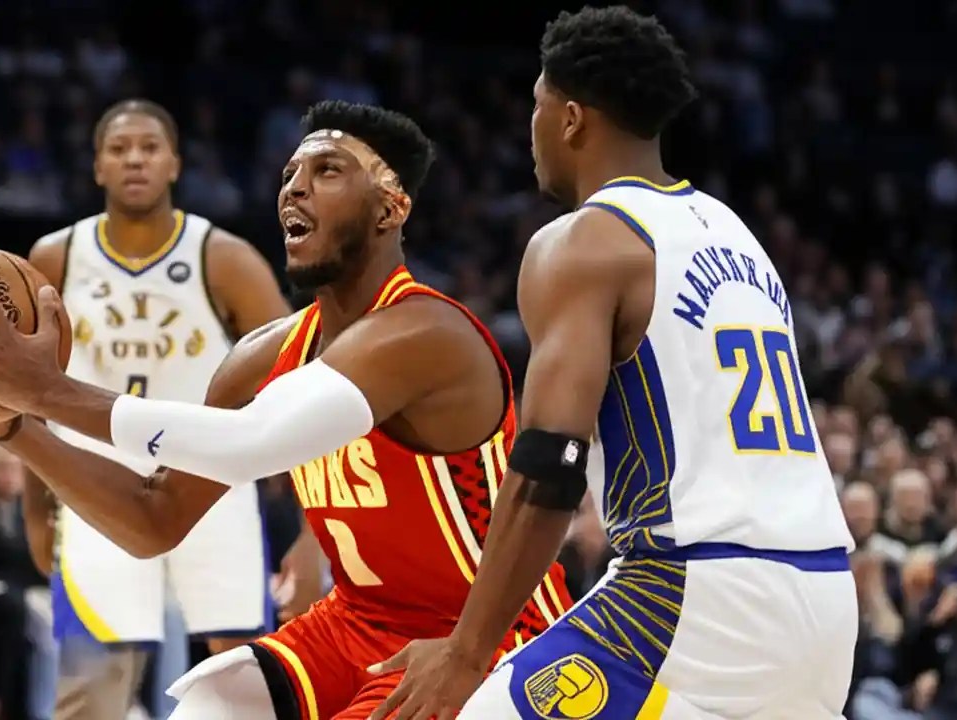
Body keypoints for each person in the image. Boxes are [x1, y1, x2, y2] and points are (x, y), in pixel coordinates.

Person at [0, 99, 572, 719]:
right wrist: (13, 425)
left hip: (492, 634)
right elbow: (154, 519)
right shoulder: (260, 358)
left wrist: (44, 391)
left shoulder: (425, 333)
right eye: (290, 174)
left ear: (390, 208)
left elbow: (250, 442)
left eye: (327, 171)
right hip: (358, 621)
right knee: (210, 704)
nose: (295, 188)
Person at [368, 6, 858, 719]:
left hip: (697, 590)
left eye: (535, 106)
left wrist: (466, 652)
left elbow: (549, 466)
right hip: (824, 600)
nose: (529, 129)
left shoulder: (583, 242)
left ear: (570, 119)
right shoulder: (736, 232)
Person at [22, 98, 300, 719]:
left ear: (174, 162)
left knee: (244, 678)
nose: (135, 160)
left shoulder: (224, 257)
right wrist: (35, 505)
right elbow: (26, 394)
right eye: (119, 150)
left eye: (149, 148)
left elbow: (299, 386)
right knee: (91, 688)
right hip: (92, 488)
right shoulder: (55, 258)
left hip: (211, 487)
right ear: (97, 166)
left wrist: (310, 531)